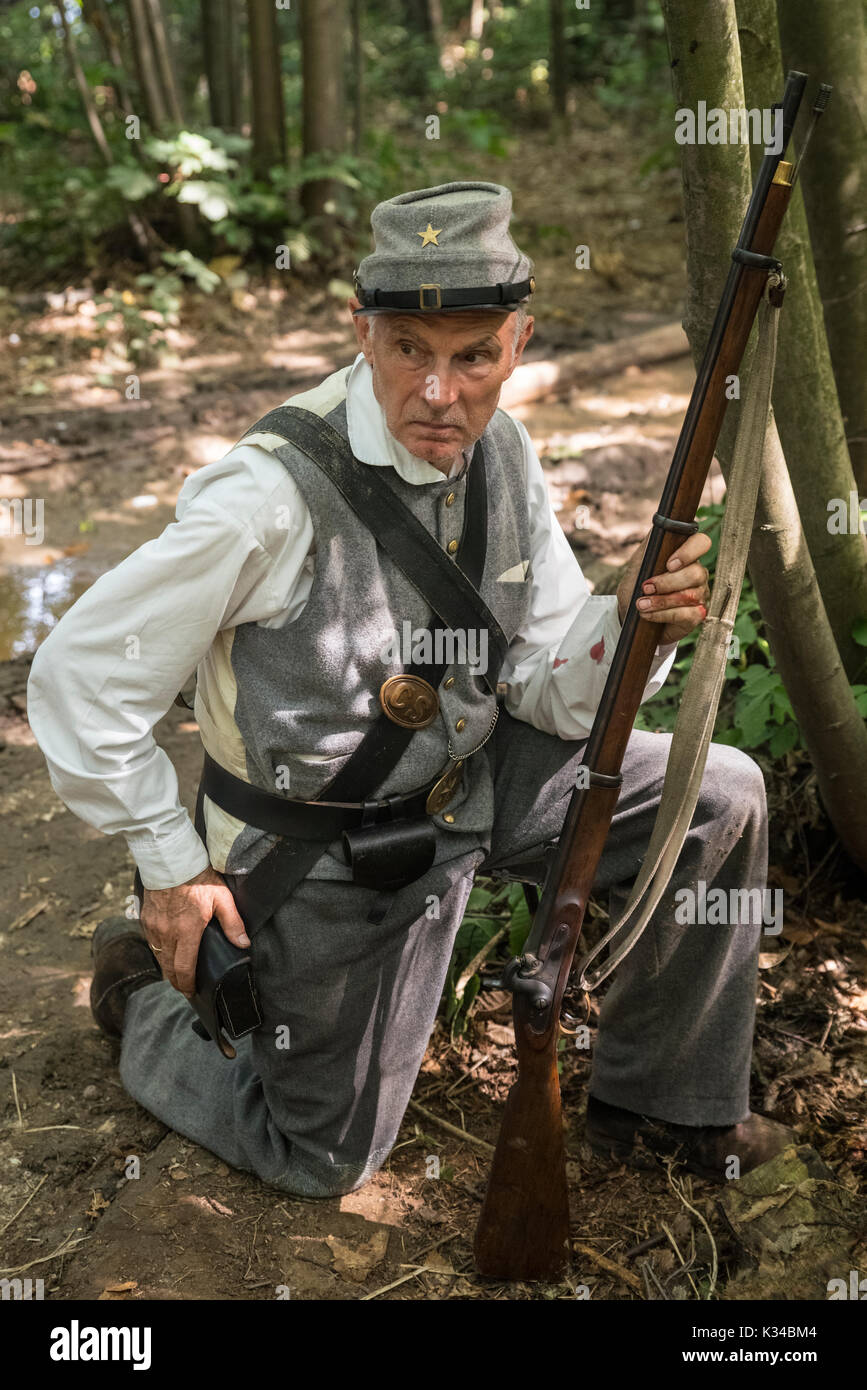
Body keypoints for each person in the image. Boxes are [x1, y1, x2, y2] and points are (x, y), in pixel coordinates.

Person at [27, 181, 791, 1199]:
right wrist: (169, 872)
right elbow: (80, 678)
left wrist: (632, 623)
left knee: (719, 795)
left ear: (518, 342)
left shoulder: (506, 453)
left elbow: (554, 689)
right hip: (324, 850)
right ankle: (144, 999)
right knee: (324, 1157)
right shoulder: (266, 496)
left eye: (472, 354)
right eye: (409, 351)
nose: (441, 392)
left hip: (475, 781)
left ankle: (662, 1102)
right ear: (363, 333)